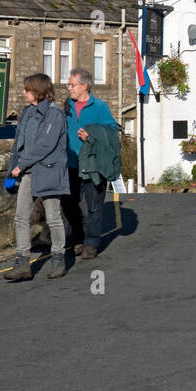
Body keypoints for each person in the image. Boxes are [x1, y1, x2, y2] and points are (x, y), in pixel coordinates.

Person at [4, 73, 71, 281]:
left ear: (38, 91)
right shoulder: (26, 113)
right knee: (21, 216)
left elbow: (45, 145)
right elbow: (19, 144)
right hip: (27, 172)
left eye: (27, 89)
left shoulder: (54, 114)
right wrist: (13, 169)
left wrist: (21, 165)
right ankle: (22, 261)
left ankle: (58, 258)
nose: (24, 92)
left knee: (53, 218)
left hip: (48, 171)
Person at [62, 67, 119, 260]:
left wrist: (91, 135)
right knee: (70, 205)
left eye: (72, 84)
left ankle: (92, 243)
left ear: (84, 86)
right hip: (70, 163)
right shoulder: (66, 106)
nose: (68, 88)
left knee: (93, 206)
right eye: (68, 84)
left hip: (93, 163)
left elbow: (112, 131)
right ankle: (78, 238)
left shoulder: (100, 107)